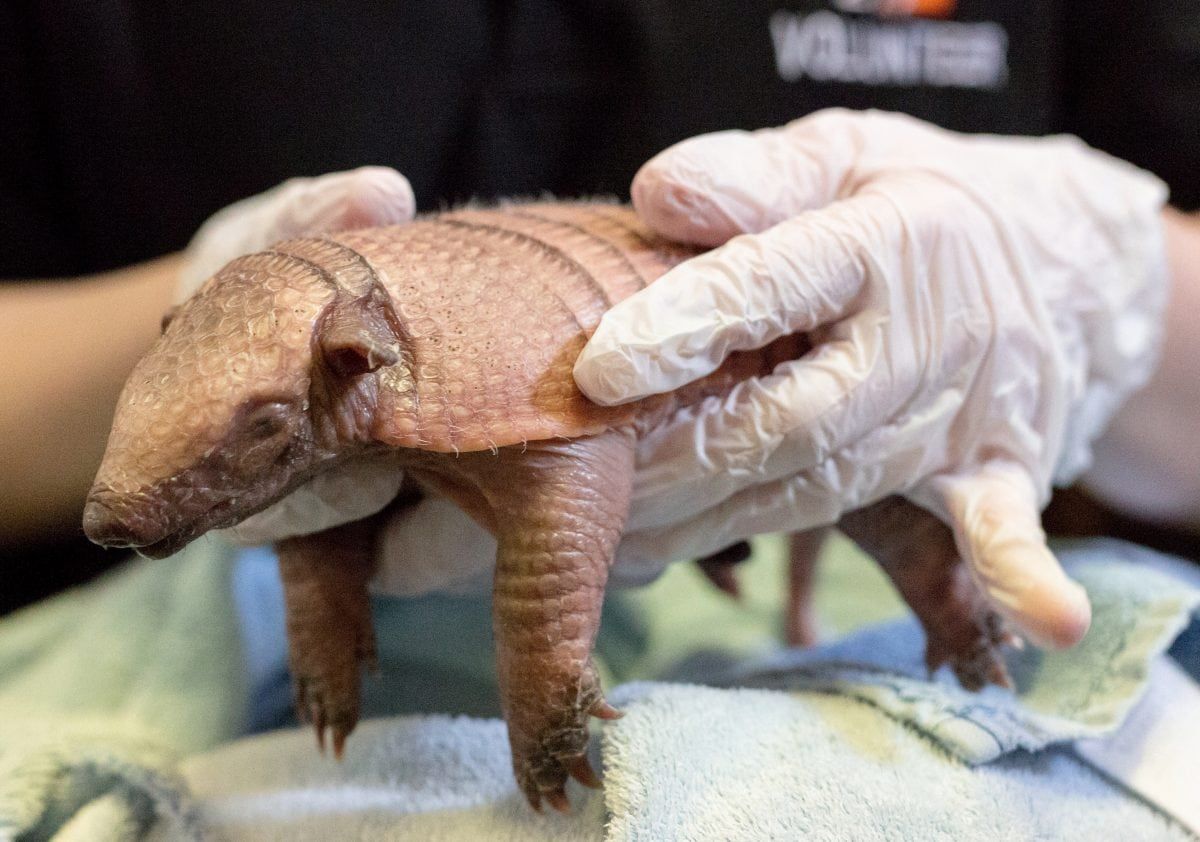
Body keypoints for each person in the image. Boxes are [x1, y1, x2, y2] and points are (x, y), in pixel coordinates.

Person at [1, 1, 1197, 651]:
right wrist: (211, 318)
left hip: (879, 465)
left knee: (864, 486)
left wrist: (1115, 285)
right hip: (128, 623)